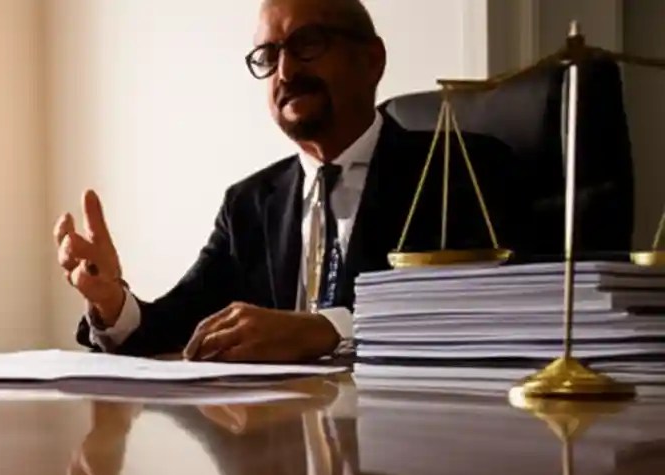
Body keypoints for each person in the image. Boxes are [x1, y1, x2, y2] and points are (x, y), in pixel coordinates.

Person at [53, 0, 520, 362]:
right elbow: (179, 325)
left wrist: (330, 328)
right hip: (282, 455)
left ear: (371, 60)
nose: (286, 72)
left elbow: (490, 314)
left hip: (413, 458)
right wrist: (111, 301)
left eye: (307, 44)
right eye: (268, 55)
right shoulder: (249, 204)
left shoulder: (458, 171)